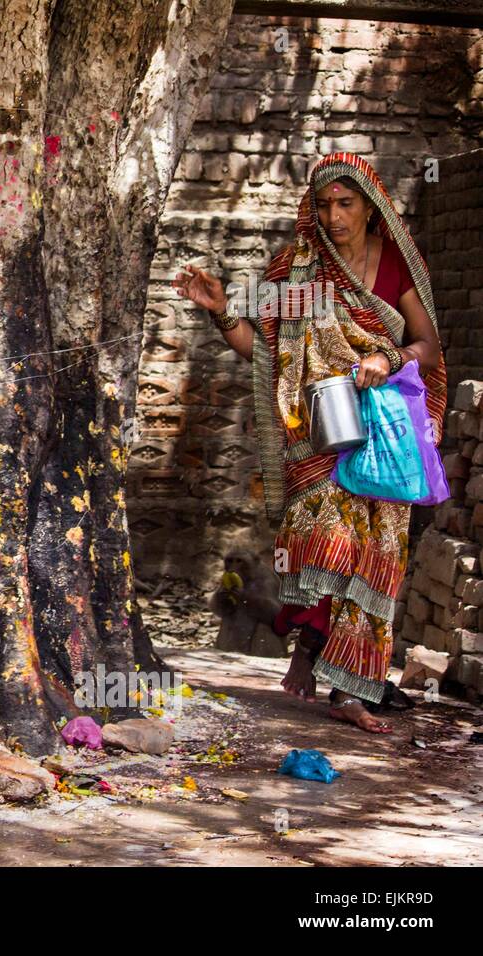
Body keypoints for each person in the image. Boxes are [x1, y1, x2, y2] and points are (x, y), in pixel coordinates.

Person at [172, 152, 447, 734]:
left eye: (345, 203)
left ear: (371, 208)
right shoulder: (301, 273)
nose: (334, 215)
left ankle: (348, 688)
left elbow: (428, 346)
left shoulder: (396, 267)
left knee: (375, 557)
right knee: (326, 542)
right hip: (319, 433)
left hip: (384, 435)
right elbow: (265, 351)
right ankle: (310, 642)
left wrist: (387, 356)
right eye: (323, 205)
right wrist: (222, 312)